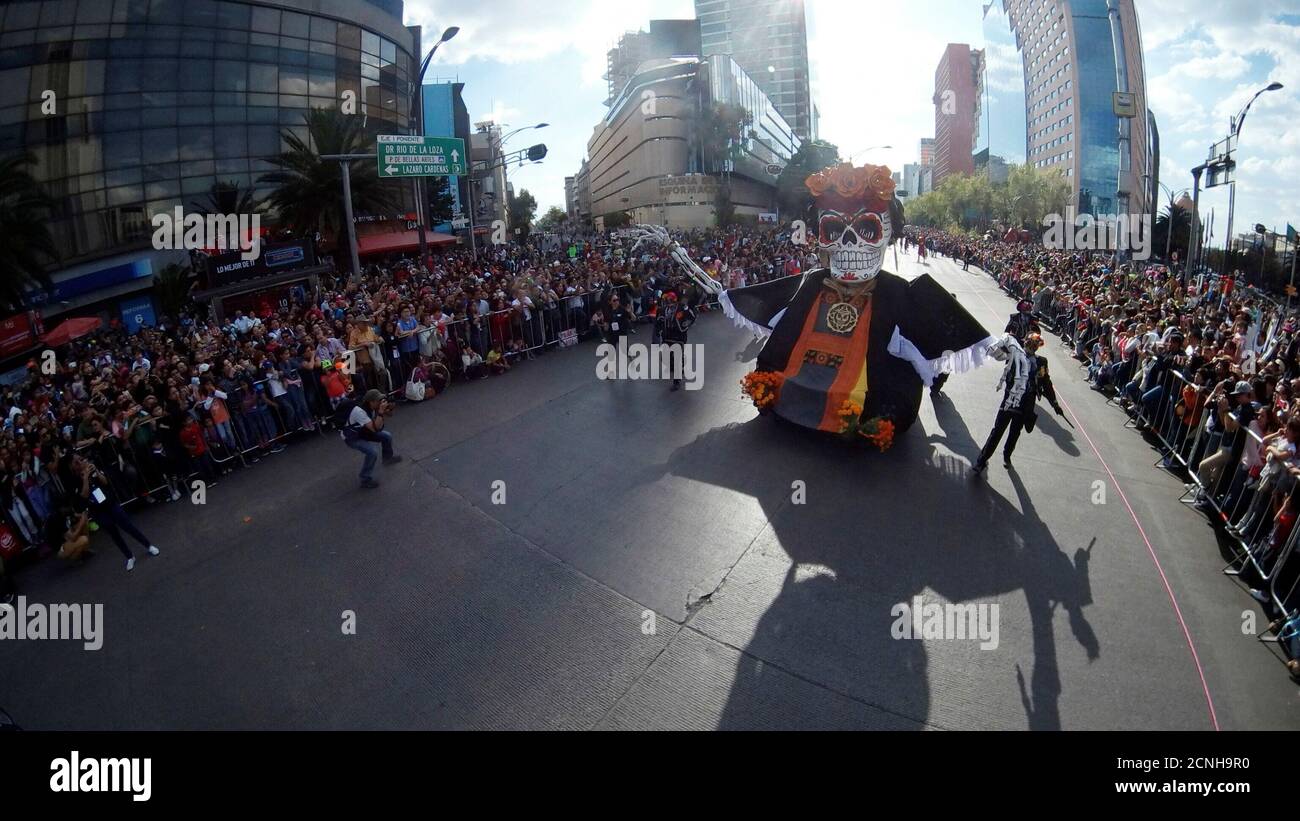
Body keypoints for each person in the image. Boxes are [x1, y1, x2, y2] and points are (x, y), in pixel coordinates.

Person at [973, 333, 1065, 474]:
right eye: (1030, 344)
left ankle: (1007, 455)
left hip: (1026, 404)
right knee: (997, 430)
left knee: (1015, 432)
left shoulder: (1041, 362)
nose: (1031, 347)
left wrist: (1055, 403)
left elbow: (1046, 383)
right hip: (1010, 399)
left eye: (1035, 345)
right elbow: (1000, 349)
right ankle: (981, 460)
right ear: (1025, 342)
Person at [65, 452, 160, 571]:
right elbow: (84, 495)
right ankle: (129, 556)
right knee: (114, 534)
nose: (80, 463)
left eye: (80, 459)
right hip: (97, 511)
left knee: (128, 526)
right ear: (71, 466)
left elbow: (105, 482)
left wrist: (97, 473)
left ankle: (148, 545)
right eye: (76, 462)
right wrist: (84, 478)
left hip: (109, 503)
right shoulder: (72, 481)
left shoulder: (91, 468)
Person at [342, 389, 402, 489]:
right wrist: (381, 412)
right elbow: (375, 428)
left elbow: (385, 419)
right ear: (371, 402)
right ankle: (365, 479)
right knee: (372, 452)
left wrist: (388, 409)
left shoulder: (372, 406)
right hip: (352, 436)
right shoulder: (359, 411)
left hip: (364, 430)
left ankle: (387, 458)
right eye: (378, 400)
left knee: (387, 436)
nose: (380, 402)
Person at [657, 287, 696, 392]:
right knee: (665, 357)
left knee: (677, 358)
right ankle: (678, 366)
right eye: (667, 300)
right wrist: (658, 331)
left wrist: (684, 325)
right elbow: (659, 322)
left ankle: (676, 381)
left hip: (679, 337)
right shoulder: (663, 310)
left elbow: (692, 316)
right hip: (667, 336)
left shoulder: (682, 308)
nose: (668, 302)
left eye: (670, 300)